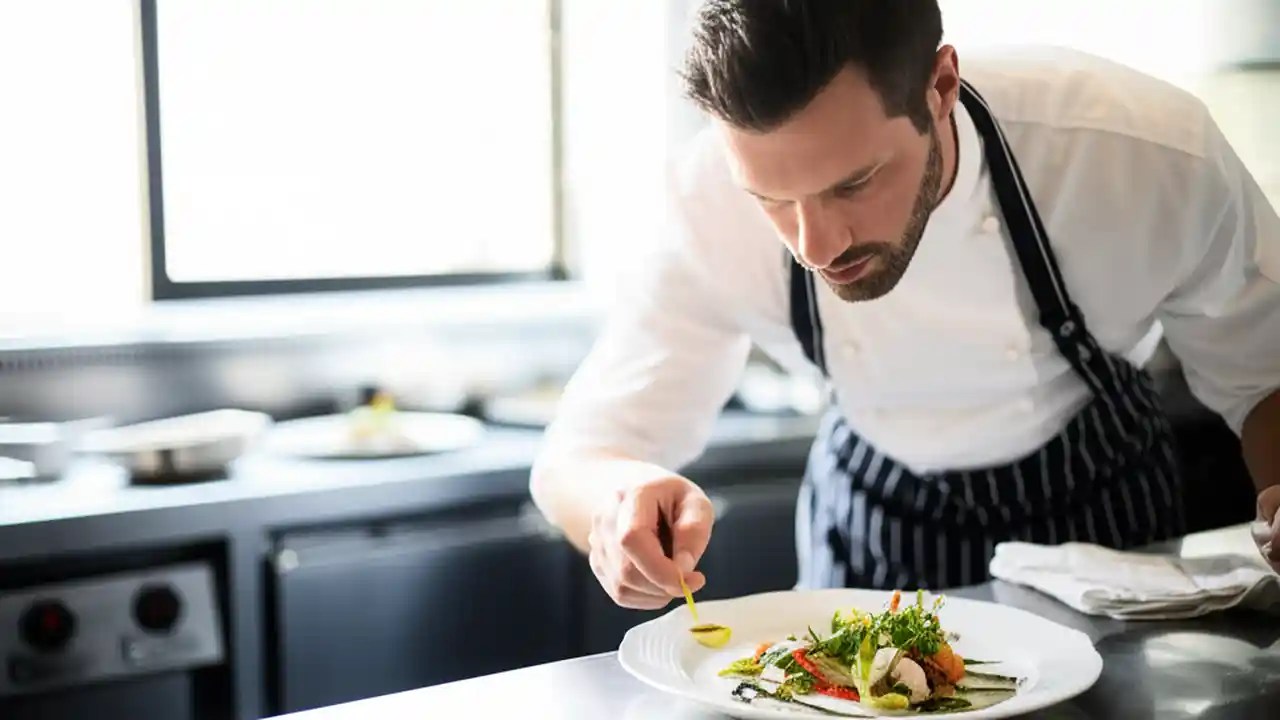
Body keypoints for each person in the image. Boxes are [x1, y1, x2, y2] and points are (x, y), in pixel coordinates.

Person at [530, 0, 1280, 610]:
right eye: (771, 198)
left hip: (1104, 536)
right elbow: (576, 457)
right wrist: (618, 504)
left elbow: (1265, 374)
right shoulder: (704, 205)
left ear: (941, 86)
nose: (814, 244)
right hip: (871, 540)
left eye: (853, 184)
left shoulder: (1138, 152)